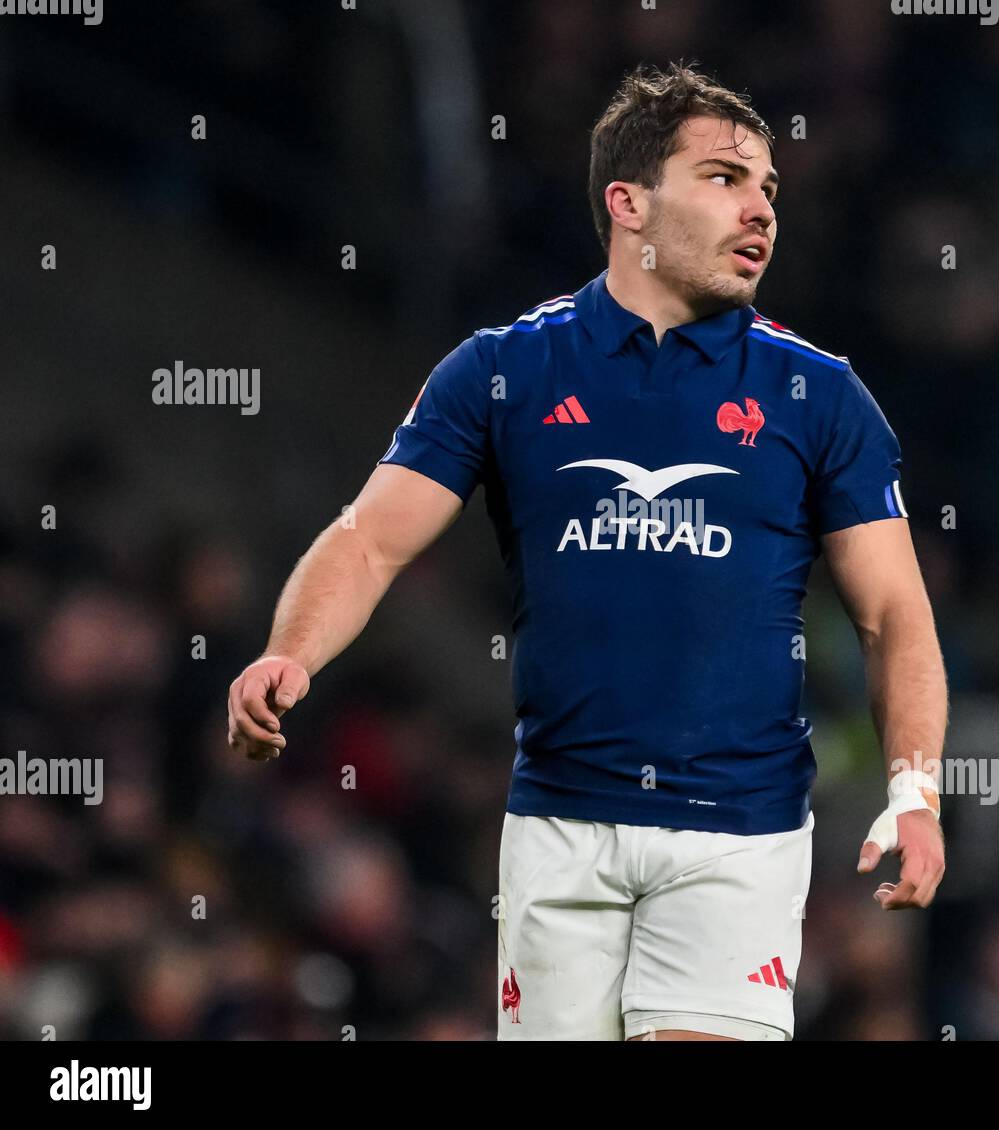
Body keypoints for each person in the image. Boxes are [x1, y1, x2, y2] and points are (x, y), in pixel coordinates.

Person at [227, 61, 948, 1041]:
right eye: (725, 177)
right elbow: (366, 541)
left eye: (769, 188)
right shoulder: (502, 371)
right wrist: (291, 652)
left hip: (735, 830)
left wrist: (913, 790)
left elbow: (893, 612)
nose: (761, 210)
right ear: (629, 203)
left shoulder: (817, 396)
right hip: (558, 825)